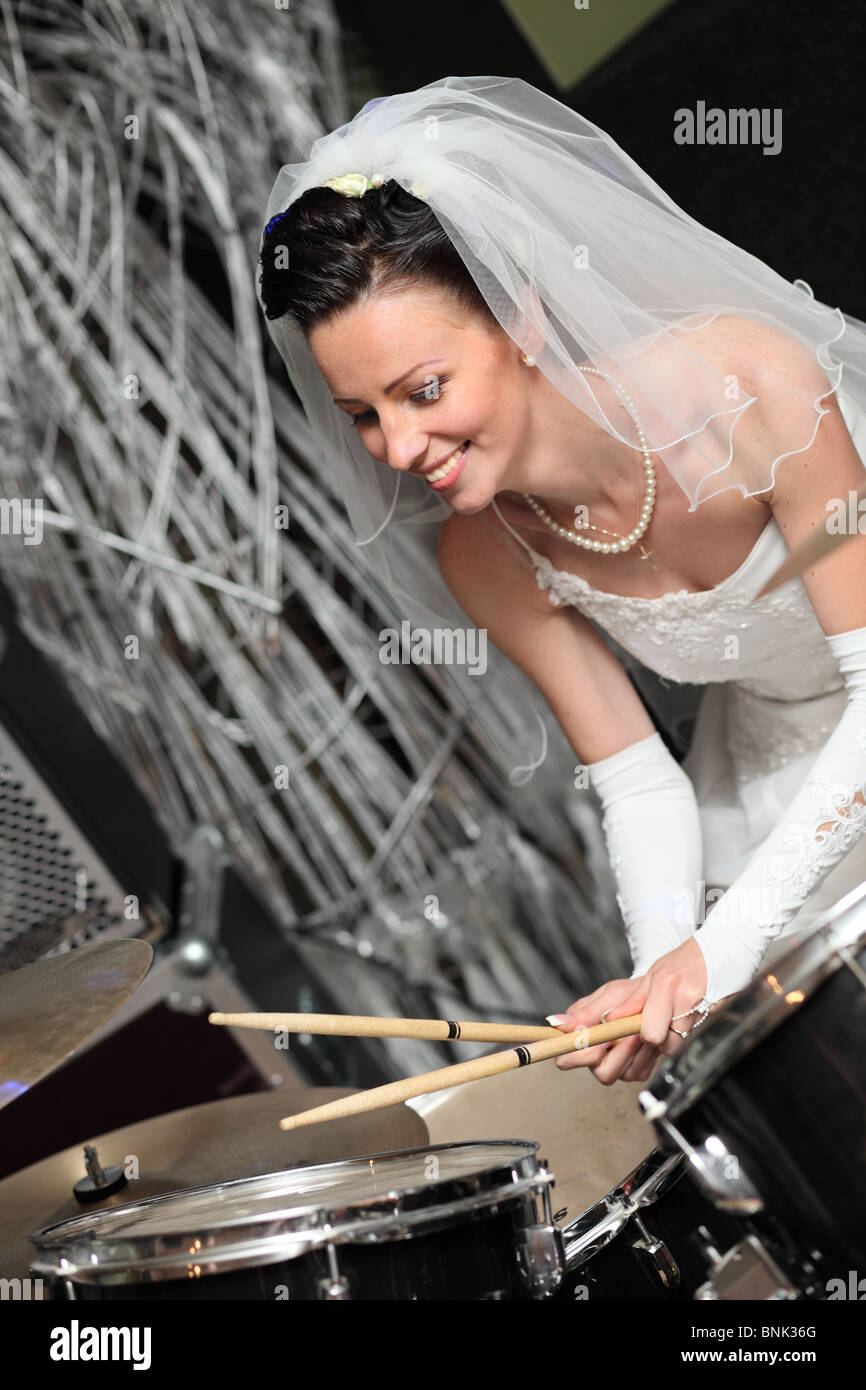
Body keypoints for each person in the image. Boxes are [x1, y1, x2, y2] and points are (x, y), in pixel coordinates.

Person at [257, 76, 866, 1086]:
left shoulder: (750, 389)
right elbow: (632, 779)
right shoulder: (483, 555)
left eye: (422, 390)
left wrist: (716, 952)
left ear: (521, 318)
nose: (398, 445)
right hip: (778, 770)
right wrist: (657, 964)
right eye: (363, 414)